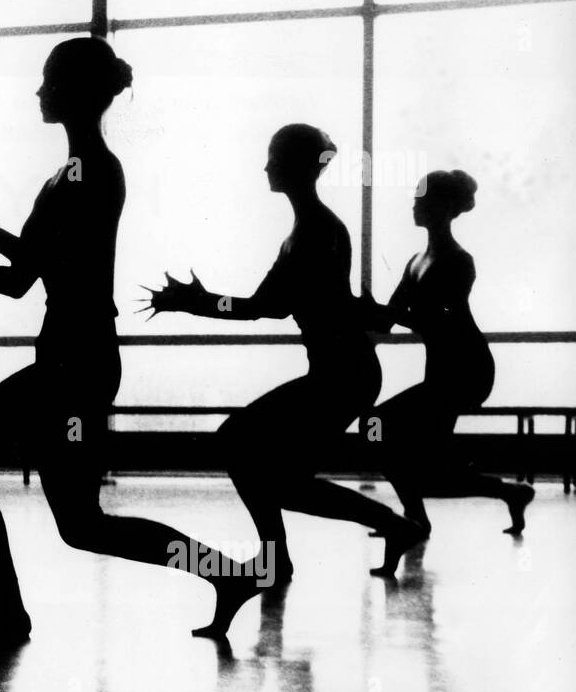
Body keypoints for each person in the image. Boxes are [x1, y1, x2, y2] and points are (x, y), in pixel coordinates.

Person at [0, 38, 270, 644]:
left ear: (76, 93)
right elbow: (28, 270)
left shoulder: (88, 174)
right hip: (77, 356)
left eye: (48, 82)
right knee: (83, 526)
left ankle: (7, 609)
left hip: (72, 362)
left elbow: (21, 278)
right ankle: (227, 575)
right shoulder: (74, 174)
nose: (38, 92)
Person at [143, 125, 428, 582]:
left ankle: (369, 532)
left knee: (245, 450)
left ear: (295, 165)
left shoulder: (313, 231)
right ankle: (372, 531)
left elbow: (265, 308)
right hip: (344, 370)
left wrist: (195, 303)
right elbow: (267, 308)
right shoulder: (311, 228)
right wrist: (199, 301)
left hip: (342, 373)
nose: (266, 166)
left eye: (273, 157)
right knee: (266, 466)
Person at [363, 170, 534, 535]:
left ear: (444, 206)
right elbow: (390, 318)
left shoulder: (458, 260)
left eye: (422, 199)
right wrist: (364, 311)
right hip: (442, 373)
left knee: (380, 429)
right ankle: (504, 493)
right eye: (415, 198)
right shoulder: (416, 261)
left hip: (466, 371)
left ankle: (418, 517)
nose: (415, 204)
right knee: (382, 435)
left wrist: (381, 312)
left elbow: (436, 321)